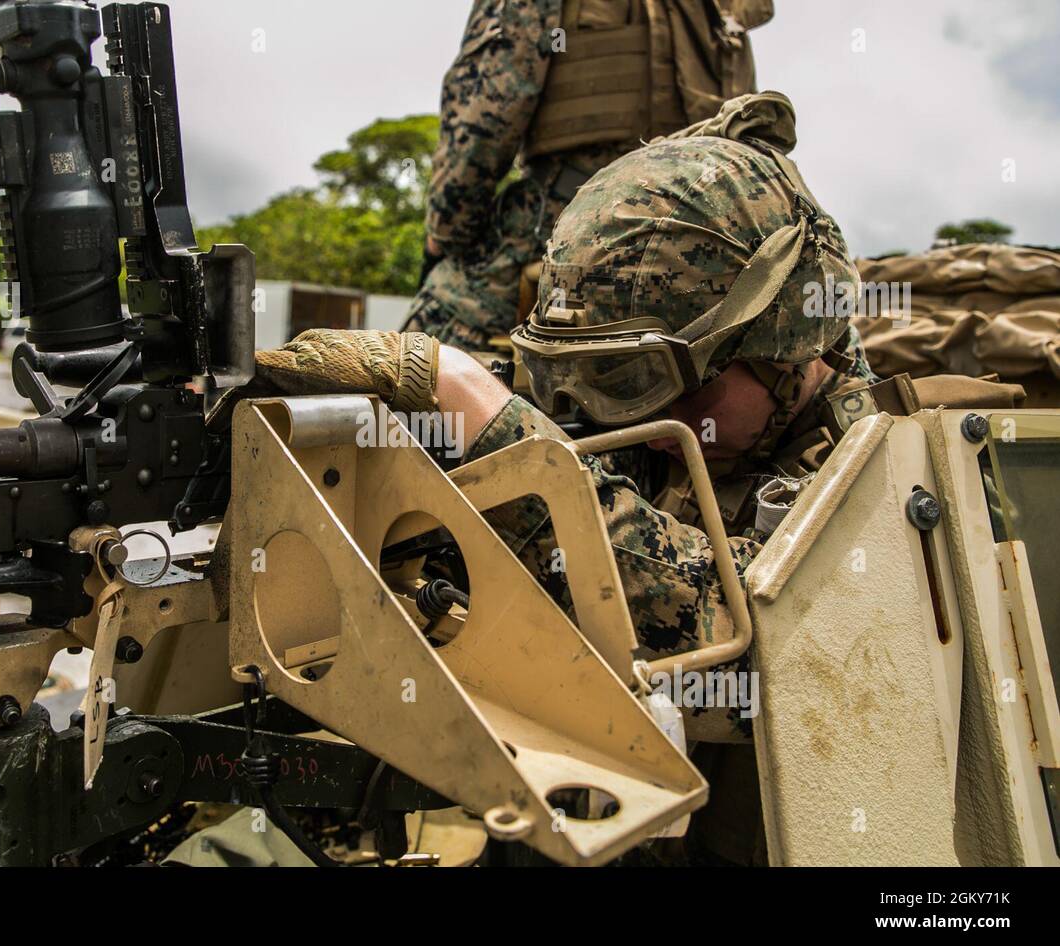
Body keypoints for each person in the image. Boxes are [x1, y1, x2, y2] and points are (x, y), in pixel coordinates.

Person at [254, 93, 879, 745]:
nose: (632, 416)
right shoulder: (684, 431)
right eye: (596, 383)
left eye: (639, 381)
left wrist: (475, 408)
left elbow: (762, 660)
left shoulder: (882, 480)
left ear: (785, 343)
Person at [403, 0, 774, 350]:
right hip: (719, 235)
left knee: (414, 361)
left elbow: (484, 121)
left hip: (578, 216)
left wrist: (446, 233)